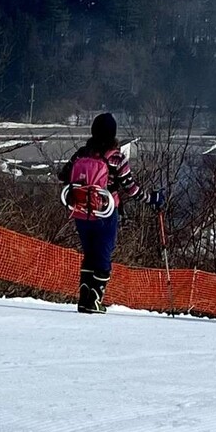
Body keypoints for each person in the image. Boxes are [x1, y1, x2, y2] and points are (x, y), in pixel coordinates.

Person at [59, 113, 143, 314]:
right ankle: (95, 300)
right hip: (106, 211)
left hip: (80, 212)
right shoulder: (116, 157)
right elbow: (130, 187)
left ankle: (84, 299)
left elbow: (63, 175)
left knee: (89, 254)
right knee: (103, 255)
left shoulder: (82, 153)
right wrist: (151, 198)